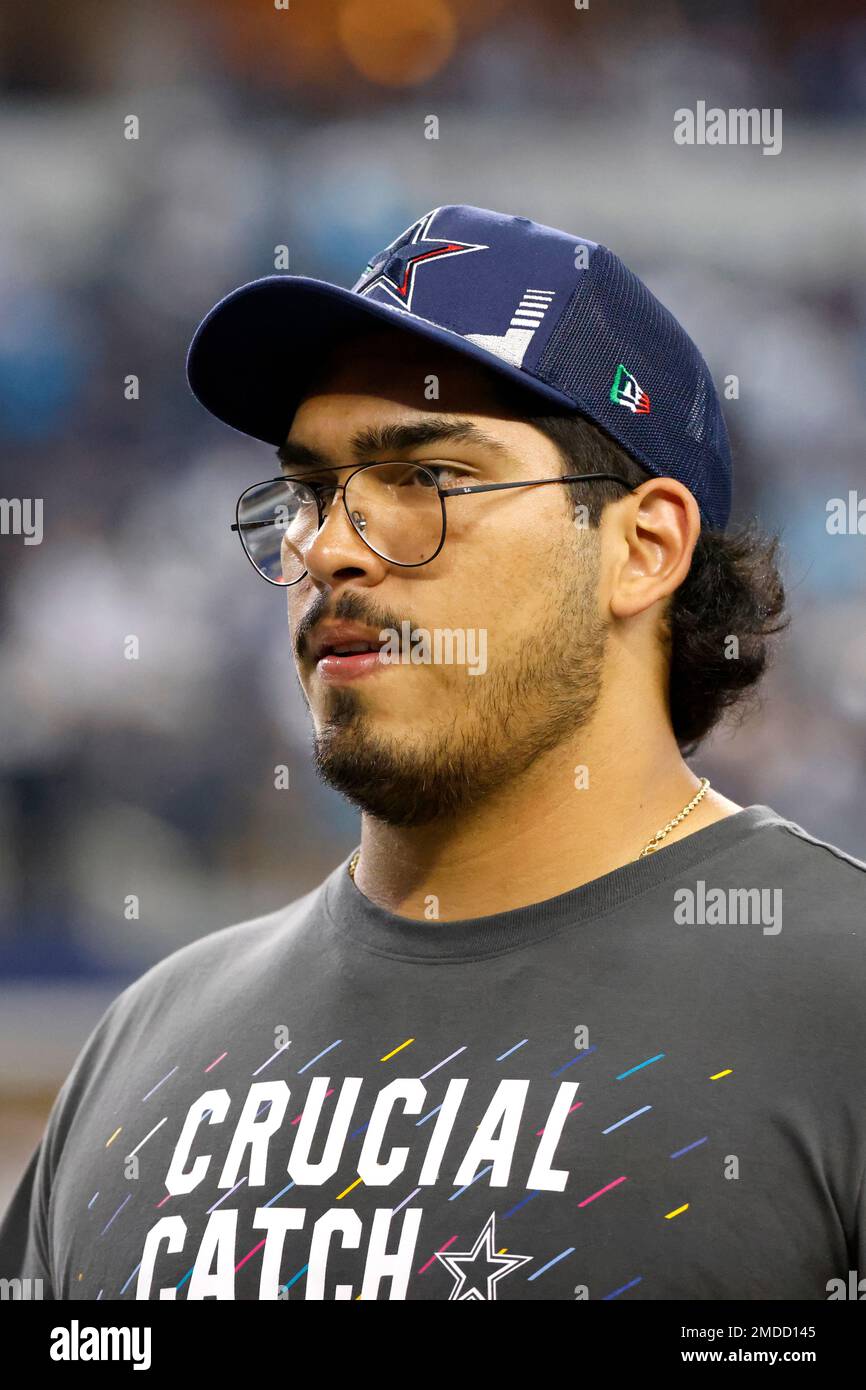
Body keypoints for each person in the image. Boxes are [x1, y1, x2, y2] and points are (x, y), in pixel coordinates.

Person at [1, 205, 863, 1302]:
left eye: (424, 480)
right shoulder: (145, 1043)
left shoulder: (838, 1000)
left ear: (641, 549)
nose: (324, 549)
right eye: (310, 492)